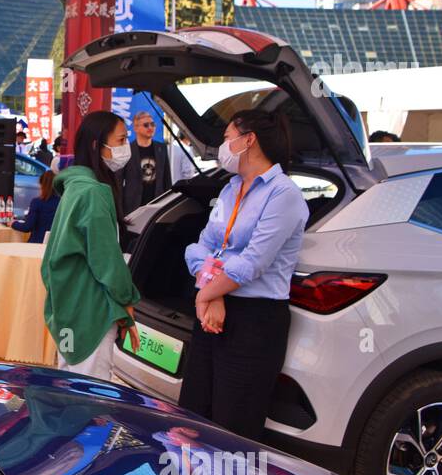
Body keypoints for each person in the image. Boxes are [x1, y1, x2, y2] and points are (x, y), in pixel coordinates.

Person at [179, 109, 308, 441]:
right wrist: (214, 295)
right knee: (193, 416)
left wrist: (205, 294)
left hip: (254, 321)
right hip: (214, 309)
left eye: (227, 138)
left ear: (249, 140)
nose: (223, 147)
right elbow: (201, 247)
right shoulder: (230, 188)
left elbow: (253, 262)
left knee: (232, 426)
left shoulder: (283, 194)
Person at [41, 111, 140, 379]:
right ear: (97, 145)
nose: (126, 147)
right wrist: (127, 302)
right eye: (121, 140)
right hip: (90, 311)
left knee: (68, 383)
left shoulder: (75, 187)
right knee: (90, 392)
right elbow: (106, 259)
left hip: (67, 307)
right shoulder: (93, 192)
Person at [119, 110, 171, 247]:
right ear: (136, 128)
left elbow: (167, 179)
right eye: (146, 125)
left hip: (156, 204)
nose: (150, 128)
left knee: (154, 242)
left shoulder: (161, 148)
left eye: (152, 124)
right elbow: (118, 181)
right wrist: (120, 211)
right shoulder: (128, 149)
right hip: (133, 207)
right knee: (133, 244)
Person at [12, 170, 59, 244]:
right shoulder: (62, 202)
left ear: (42, 185)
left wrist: (13, 223)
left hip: (36, 243)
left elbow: (27, 227)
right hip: (54, 245)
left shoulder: (37, 202)